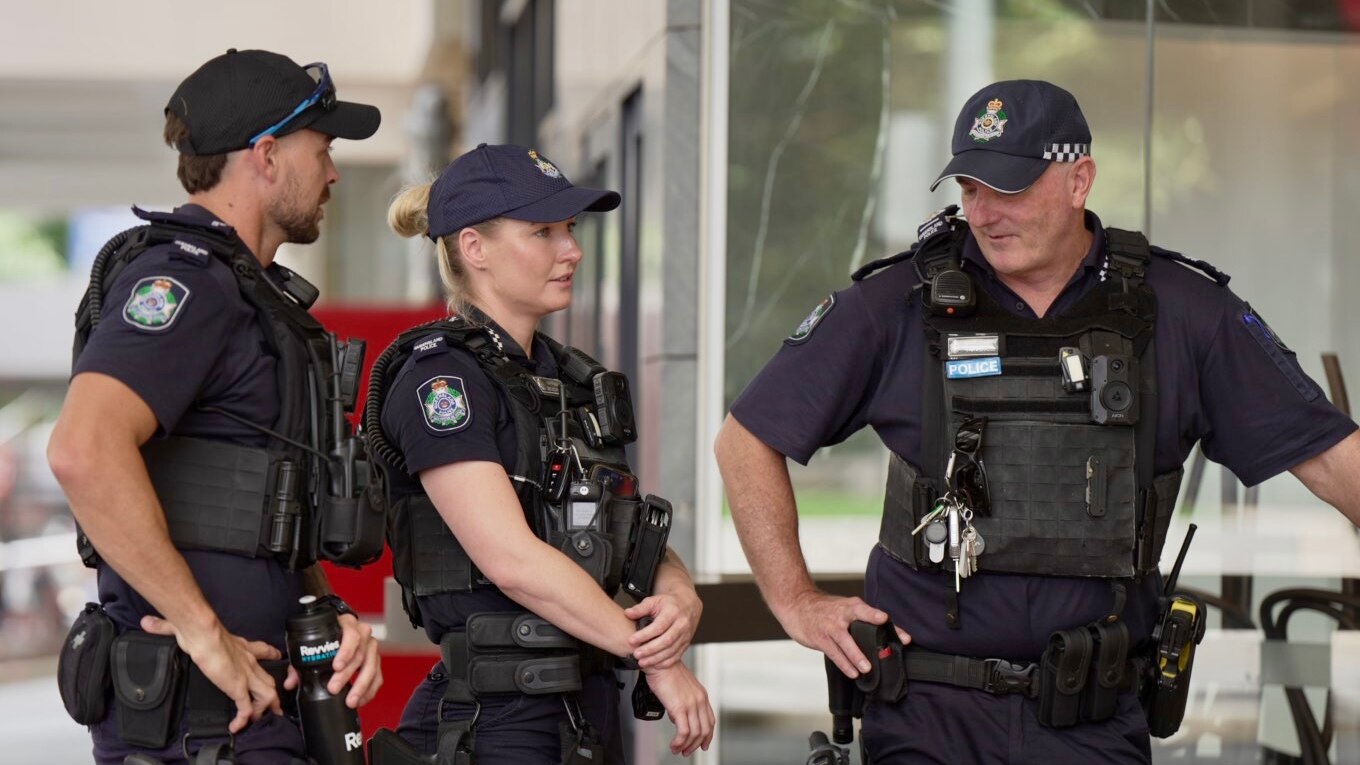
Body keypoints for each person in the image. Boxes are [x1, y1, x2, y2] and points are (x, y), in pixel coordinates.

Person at [715, 79, 1360, 764]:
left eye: (1009, 188)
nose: (984, 212)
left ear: (1079, 179)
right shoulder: (899, 304)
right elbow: (746, 439)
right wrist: (795, 600)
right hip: (926, 714)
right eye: (968, 189)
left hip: (1093, 716)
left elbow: (1330, 457)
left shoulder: (1181, 313)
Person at [47, 49, 385, 765]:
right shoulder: (185, 283)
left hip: (256, 712)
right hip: (200, 722)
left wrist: (333, 618)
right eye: (321, 151)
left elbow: (262, 516)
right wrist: (203, 630)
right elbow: (82, 448)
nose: (332, 173)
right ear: (265, 156)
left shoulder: (250, 297)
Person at [365, 143, 714, 764]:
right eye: (544, 232)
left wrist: (679, 591)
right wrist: (651, 657)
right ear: (474, 248)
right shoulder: (441, 380)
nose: (572, 250)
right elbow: (511, 559)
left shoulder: (565, 379)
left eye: (571, 230)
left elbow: (626, 529)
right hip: (498, 717)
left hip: (583, 705)